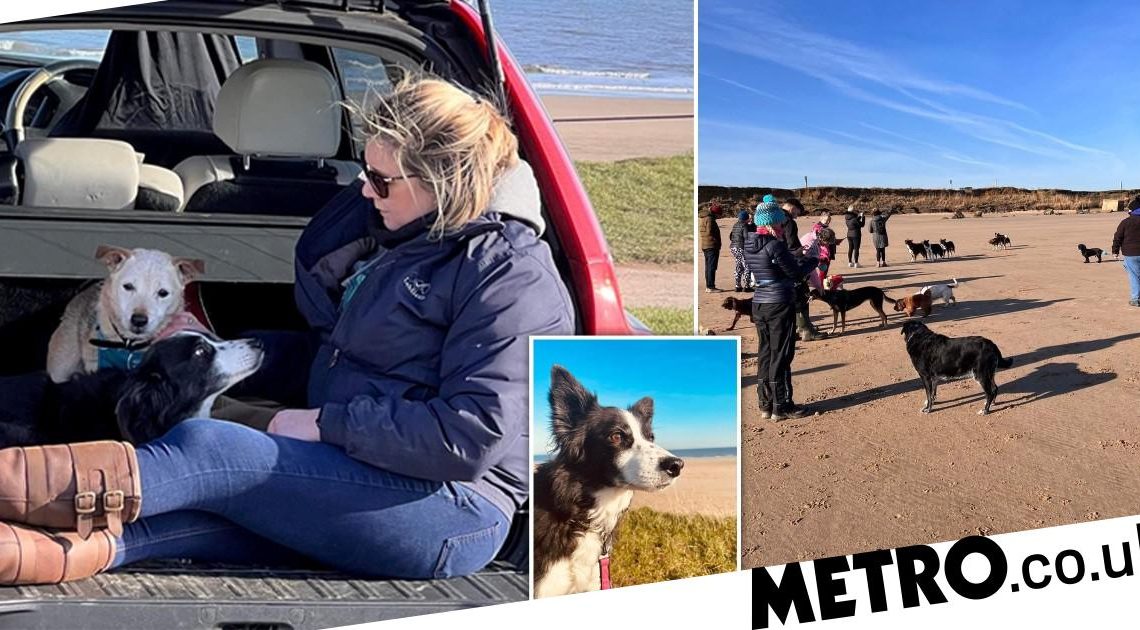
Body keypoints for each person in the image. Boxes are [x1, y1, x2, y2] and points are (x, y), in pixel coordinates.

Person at [0, 76, 576, 585]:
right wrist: (231, 355)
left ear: (444, 181)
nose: (365, 192)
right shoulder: (401, 240)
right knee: (205, 511)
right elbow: (344, 361)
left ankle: (14, 485)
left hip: (451, 508)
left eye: (381, 180)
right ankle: (38, 552)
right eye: (363, 174)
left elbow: (470, 436)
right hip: (367, 474)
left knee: (209, 448)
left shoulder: (509, 277)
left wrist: (325, 424)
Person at [744, 200, 819, 421]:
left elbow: (772, 268)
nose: (782, 226)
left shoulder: (749, 243)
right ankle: (782, 405)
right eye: (779, 222)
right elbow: (795, 274)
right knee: (782, 354)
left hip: (759, 303)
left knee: (765, 353)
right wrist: (813, 260)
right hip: (779, 302)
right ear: (773, 223)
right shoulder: (774, 245)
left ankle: (765, 404)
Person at [779, 196, 827, 341]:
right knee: (802, 295)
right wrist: (805, 256)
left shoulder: (774, 219)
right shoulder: (789, 222)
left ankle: (796, 329)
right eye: (797, 213)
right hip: (789, 264)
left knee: (789, 300)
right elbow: (793, 247)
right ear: (792, 208)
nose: (797, 216)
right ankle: (806, 330)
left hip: (776, 266)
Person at [1112, 196, 1140, 306]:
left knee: (1134, 276)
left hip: (1131, 253)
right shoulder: (1125, 221)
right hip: (1131, 253)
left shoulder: (1125, 222)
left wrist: (1115, 251)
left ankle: (1135, 299)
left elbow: (1117, 237)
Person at [729, 209, 756, 292]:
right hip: (741, 247)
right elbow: (746, 237)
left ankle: (738, 285)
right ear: (746, 218)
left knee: (739, 265)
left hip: (733, 247)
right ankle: (747, 286)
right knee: (747, 266)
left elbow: (730, 236)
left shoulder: (735, 225)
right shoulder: (744, 225)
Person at [700, 202, 724, 293]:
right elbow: (710, 232)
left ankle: (709, 286)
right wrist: (716, 242)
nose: (719, 217)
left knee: (708, 267)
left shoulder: (704, 217)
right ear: (715, 213)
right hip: (711, 246)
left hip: (706, 245)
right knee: (711, 267)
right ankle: (710, 287)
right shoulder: (710, 219)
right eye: (719, 215)